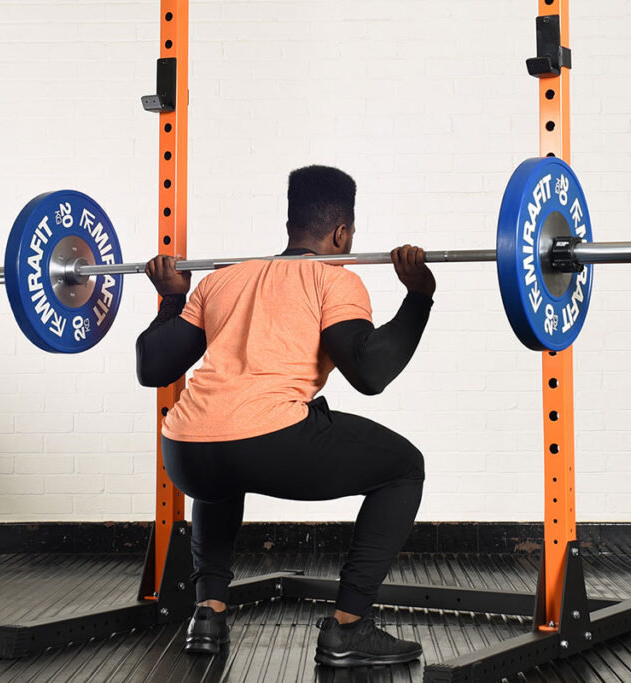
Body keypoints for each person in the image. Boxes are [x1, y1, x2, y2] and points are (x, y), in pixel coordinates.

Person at [135, 165, 436, 668]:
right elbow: (369, 373)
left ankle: (207, 615)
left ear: (291, 223)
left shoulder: (222, 279)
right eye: (349, 236)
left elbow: (153, 367)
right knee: (405, 467)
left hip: (185, 450)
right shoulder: (333, 278)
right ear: (342, 234)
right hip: (267, 443)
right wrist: (419, 297)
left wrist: (172, 297)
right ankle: (349, 627)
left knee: (221, 455)